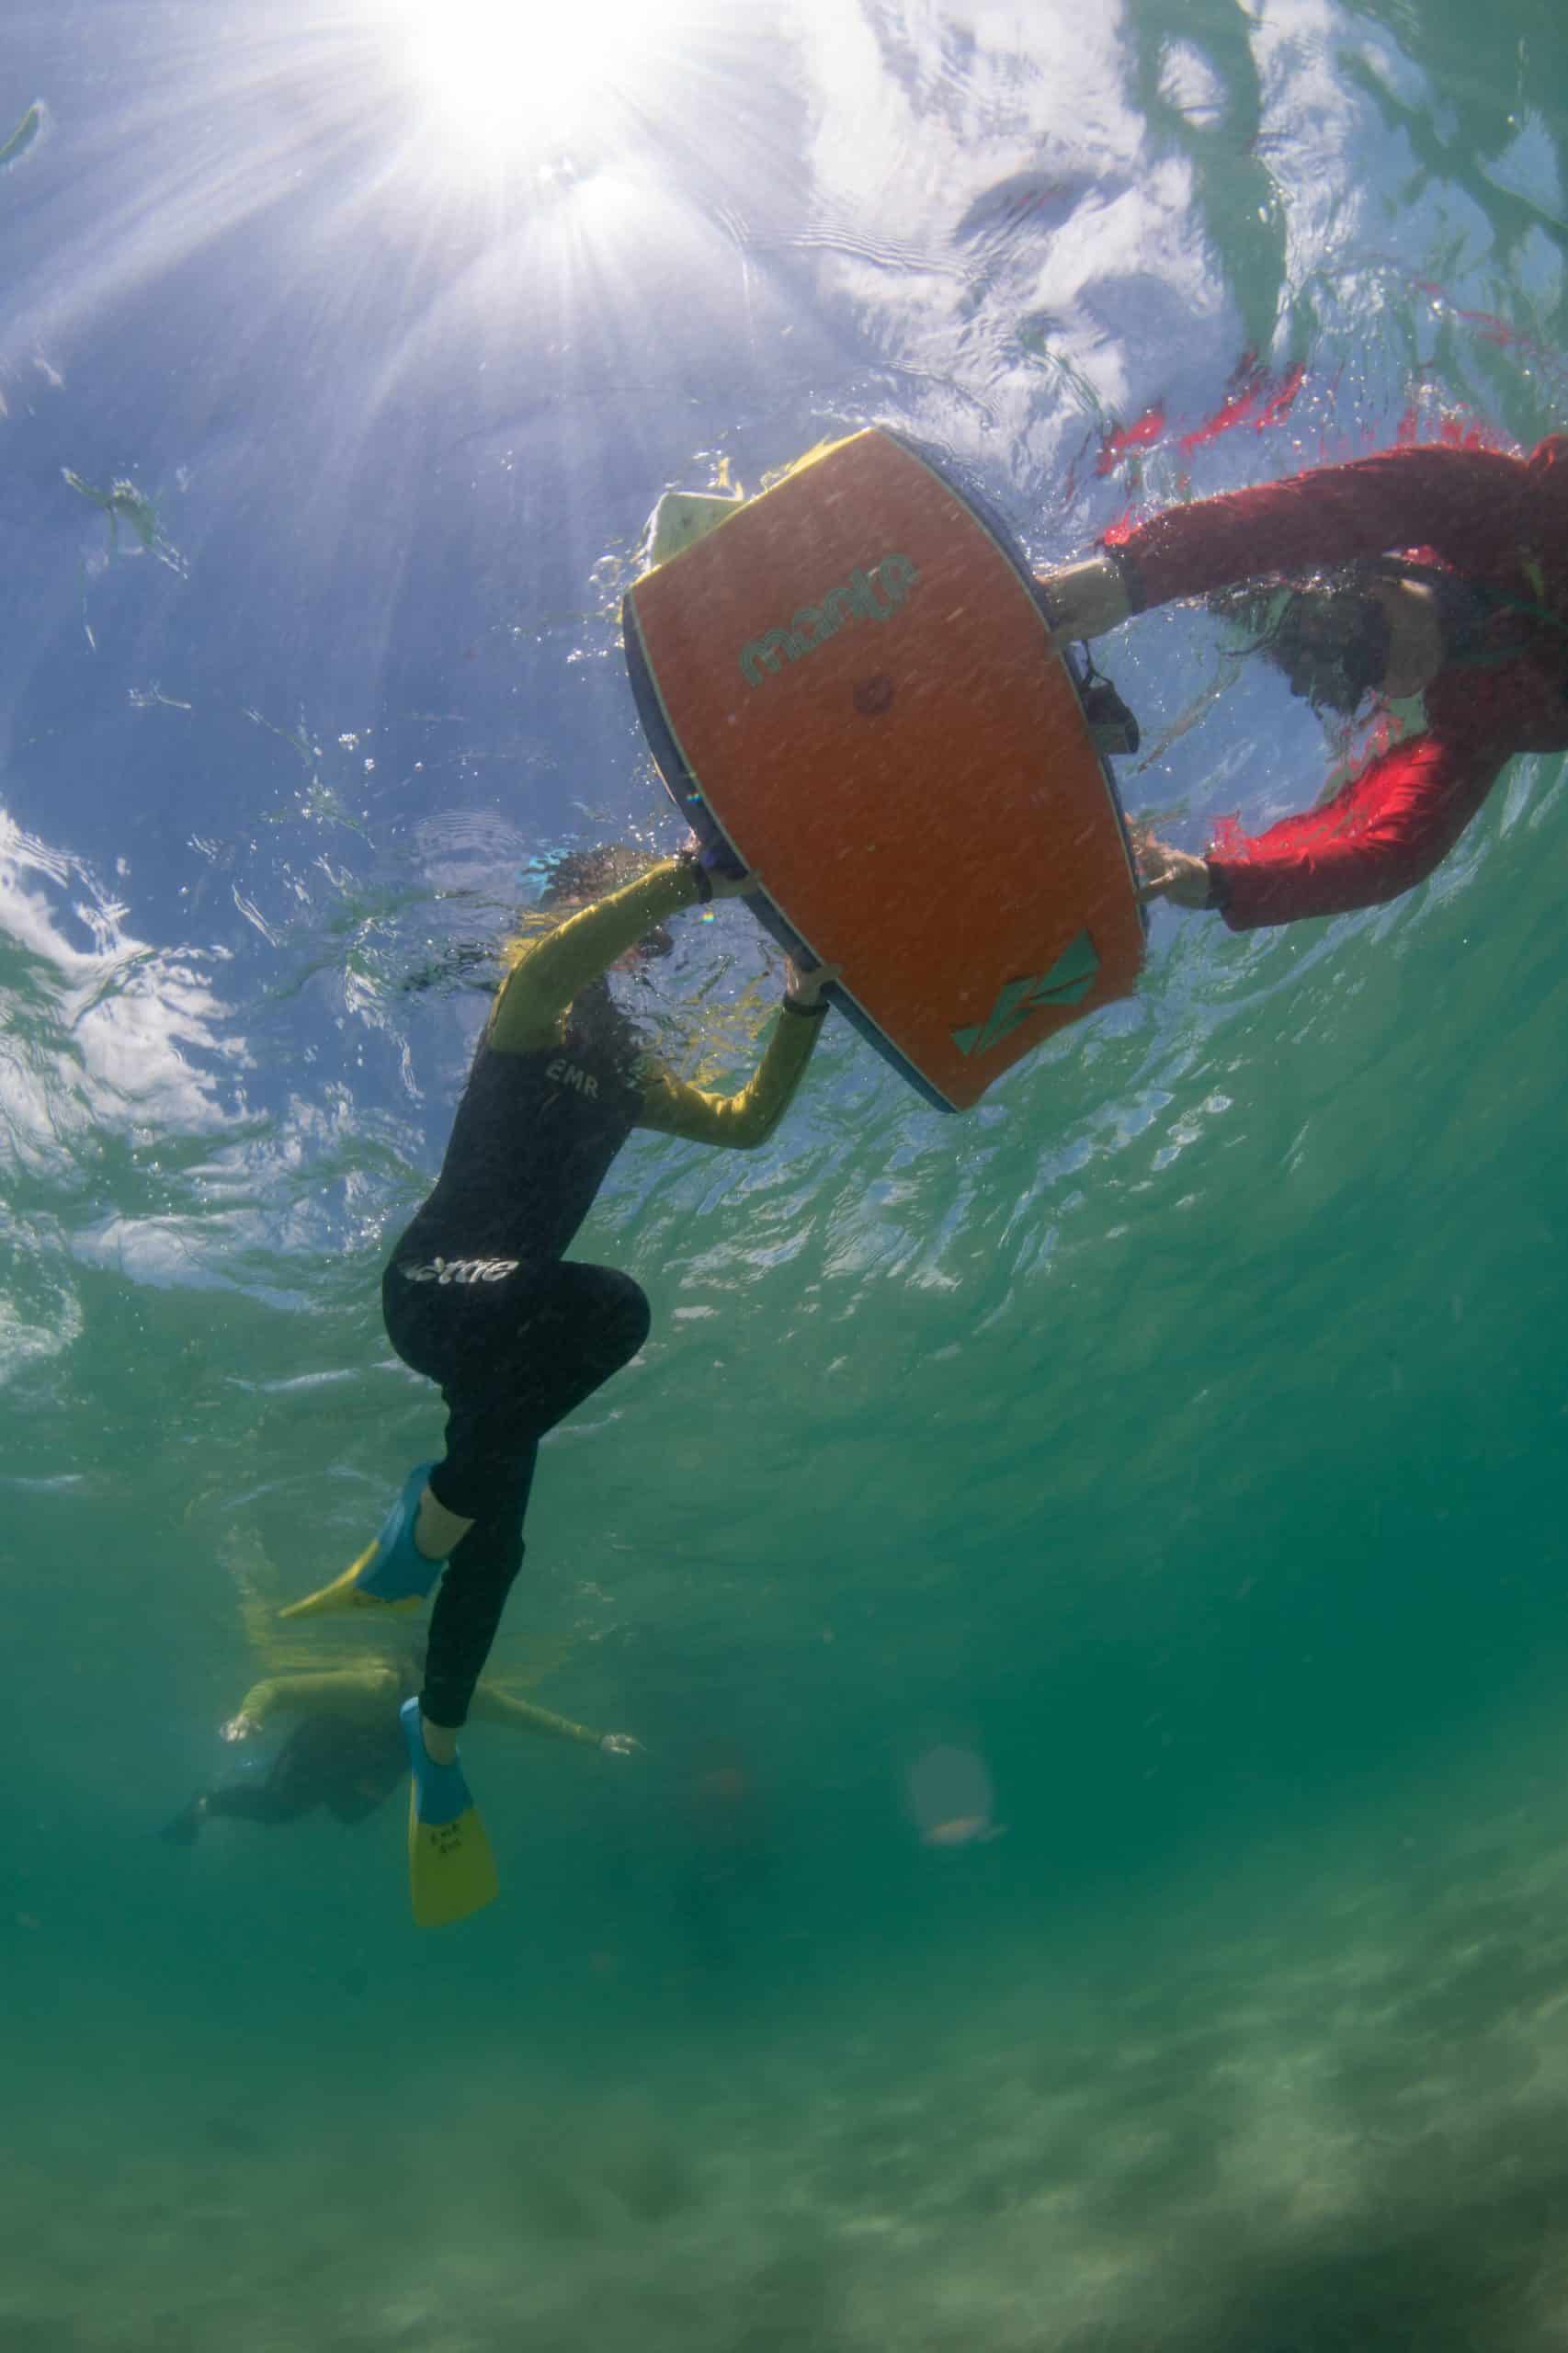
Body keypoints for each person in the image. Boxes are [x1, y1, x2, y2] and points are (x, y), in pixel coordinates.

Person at [280, 841, 832, 1925]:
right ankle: (424, 1526)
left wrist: (804, 1001)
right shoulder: (531, 1011)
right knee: (614, 1305)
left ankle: (434, 1737)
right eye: (629, 921)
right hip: (436, 1287)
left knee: (505, 1532)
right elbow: (541, 969)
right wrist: (688, 873)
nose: (643, 948)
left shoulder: (629, 1070)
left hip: (510, 1329)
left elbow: (745, 1122)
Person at [1038, 434, 1568, 929]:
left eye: (1359, 639)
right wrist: (1220, 883)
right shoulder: (1478, 713)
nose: (1378, 669)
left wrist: (1131, 576)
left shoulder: (1492, 508)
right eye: (1349, 681)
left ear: (1377, 576)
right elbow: (1398, 853)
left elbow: (1312, 510)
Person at [158, 1652, 638, 1846]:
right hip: (327, 1743)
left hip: (387, 1754)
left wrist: (596, 1739)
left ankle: (323, 1788)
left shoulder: (465, 1693)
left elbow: (527, 1717)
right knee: (280, 1809)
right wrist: (250, 1715)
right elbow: (278, 1688)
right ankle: (209, 1803)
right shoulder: (375, 1685)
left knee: (348, 1814)